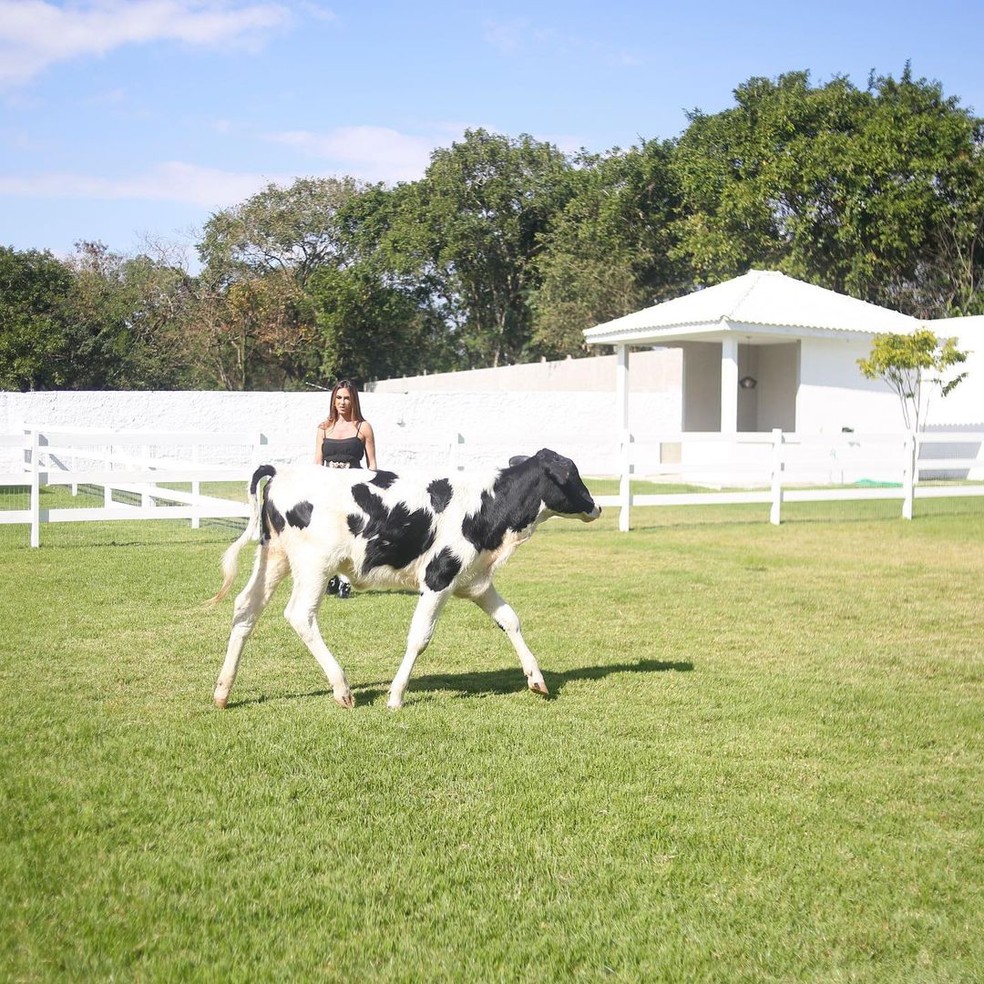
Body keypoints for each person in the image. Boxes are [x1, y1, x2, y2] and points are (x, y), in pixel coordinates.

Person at [314, 379, 377, 598]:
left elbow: (372, 466)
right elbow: (317, 464)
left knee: (349, 535)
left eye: (347, 398)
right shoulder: (323, 428)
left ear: (354, 400)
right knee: (327, 534)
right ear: (333, 400)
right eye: (338, 398)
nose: (342, 402)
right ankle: (329, 577)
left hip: (353, 491)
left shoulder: (363, 427)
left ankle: (346, 581)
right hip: (328, 489)